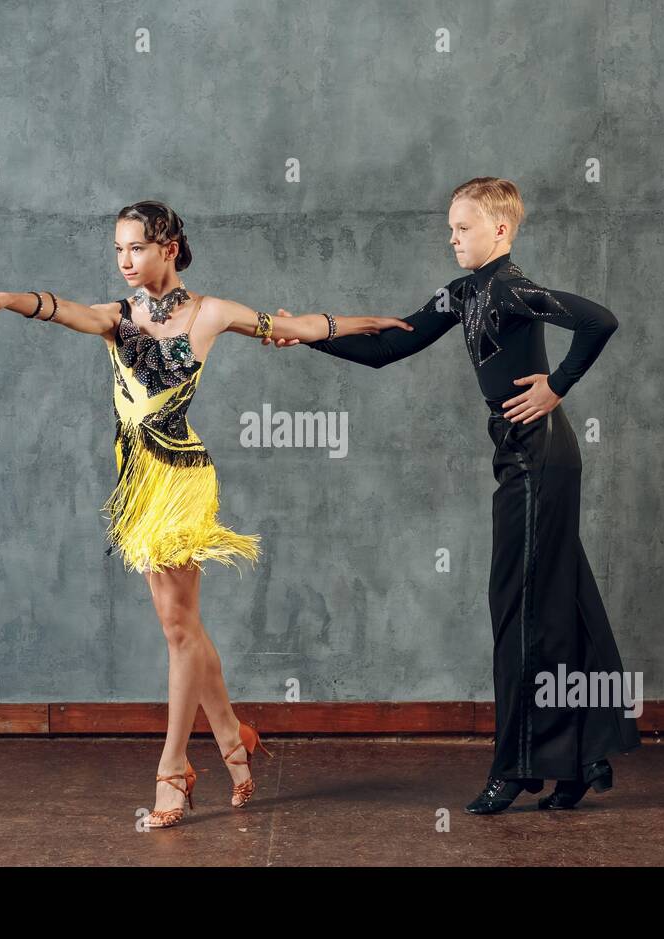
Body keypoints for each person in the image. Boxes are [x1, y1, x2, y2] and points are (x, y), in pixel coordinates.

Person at [0, 200, 412, 827]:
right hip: (139, 482)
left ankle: (172, 770)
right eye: (117, 250)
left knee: (179, 630)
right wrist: (7, 297)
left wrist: (366, 324)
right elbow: (60, 309)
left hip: (183, 480)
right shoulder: (118, 316)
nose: (125, 261)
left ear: (168, 246)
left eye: (135, 247)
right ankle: (234, 741)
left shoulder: (209, 313)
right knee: (182, 629)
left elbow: (290, 326)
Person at [263, 177, 641, 813]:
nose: (452, 237)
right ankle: (580, 760)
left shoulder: (513, 286)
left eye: (462, 228)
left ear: (500, 230)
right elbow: (390, 344)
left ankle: (520, 766)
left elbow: (599, 321)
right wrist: (309, 333)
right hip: (524, 451)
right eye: (451, 228)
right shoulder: (464, 293)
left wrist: (557, 386)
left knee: (519, 607)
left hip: (538, 453)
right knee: (562, 602)